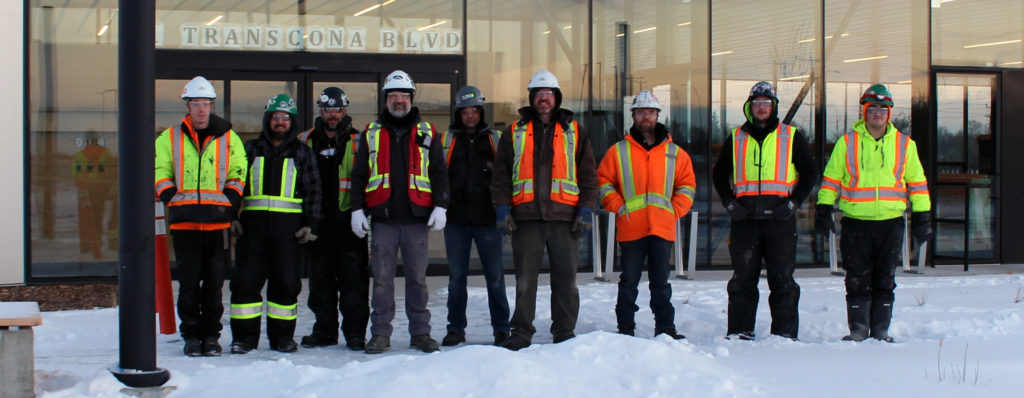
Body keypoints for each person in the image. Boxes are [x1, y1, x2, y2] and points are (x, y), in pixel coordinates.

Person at [490, 69, 599, 351]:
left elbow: (588, 176)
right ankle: (522, 331)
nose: (543, 99)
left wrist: (585, 209)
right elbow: (500, 176)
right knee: (525, 281)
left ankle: (564, 329)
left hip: (565, 220)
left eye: (548, 94)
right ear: (531, 98)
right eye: (538, 94)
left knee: (566, 281)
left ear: (557, 97)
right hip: (526, 221)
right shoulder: (513, 133)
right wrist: (503, 209)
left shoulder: (576, 132)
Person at [816, 84, 931, 343]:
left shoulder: (905, 144)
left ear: (889, 113)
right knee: (856, 278)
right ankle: (858, 329)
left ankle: (881, 330)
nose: (877, 113)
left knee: (885, 278)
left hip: (890, 223)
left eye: (883, 108)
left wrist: (923, 217)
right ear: (864, 112)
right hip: (856, 223)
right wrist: (823, 209)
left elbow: (918, 183)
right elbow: (831, 179)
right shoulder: (847, 143)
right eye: (872, 108)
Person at [350, 70, 450, 354]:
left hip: (417, 220)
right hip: (383, 221)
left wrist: (441, 205)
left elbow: (440, 173)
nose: (398, 101)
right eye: (392, 96)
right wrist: (357, 210)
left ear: (411, 99)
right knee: (381, 280)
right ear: (385, 99)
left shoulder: (427, 132)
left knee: (417, 279)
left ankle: (421, 333)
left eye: (403, 96)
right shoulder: (371, 133)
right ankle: (380, 334)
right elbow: (359, 176)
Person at [711, 81, 819, 341]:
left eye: (766, 104)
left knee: (782, 280)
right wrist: (729, 203)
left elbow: (810, 173)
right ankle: (740, 332)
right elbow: (719, 173)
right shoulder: (736, 137)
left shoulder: (791, 136)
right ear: (750, 107)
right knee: (742, 281)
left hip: (779, 222)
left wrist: (794, 203)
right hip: (745, 221)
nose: (761, 108)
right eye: (757, 103)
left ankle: (784, 334)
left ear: (774, 107)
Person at [154, 76, 247, 356]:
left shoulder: (229, 137)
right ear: (188, 105)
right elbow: (160, 171)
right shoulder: (169, 138)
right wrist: (171, 197)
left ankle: (211, 336)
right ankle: (191, 336)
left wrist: (230, 200)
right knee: (188, 284)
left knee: (215, 285)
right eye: (196, 103)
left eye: (206, 103)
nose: (202, 109)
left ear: (212, 105)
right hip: (185, 223)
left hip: (217, 223)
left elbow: (239, 169)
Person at [597, 90, 696, 339]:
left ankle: (665, 328)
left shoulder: (675, 152)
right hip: (631, 227)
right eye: (641, 112)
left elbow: (687, 185)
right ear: (634, 116)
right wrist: (618, 206)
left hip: (662, 228)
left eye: (650, 112)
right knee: (628, 281)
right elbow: (604, 183)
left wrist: (676, 209)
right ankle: (625, 328)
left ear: (657, 115)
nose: (646, 117)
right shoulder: (618, 151)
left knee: (660, 284)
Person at [228, 94, 322, 354]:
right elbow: (235, 185)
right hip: (252, 231)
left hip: (288, 233)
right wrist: (232, 217)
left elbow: (314, 191)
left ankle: (282, 339)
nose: (280, 122)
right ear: (267, 119)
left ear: (291, 122)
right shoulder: (250, 149)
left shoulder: (303, 153)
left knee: (286, 286)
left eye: (285, 118)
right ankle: (243, 339)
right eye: (275, 117)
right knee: (245, 284)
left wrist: (311, 224)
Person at [298, 87, 371, 351]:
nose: (332, 115)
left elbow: (368, 179)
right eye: (328, 110)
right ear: (320, 110)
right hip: (318, 223)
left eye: (337, 110)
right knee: (320, 282)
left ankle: (355, 333)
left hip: (348, 222)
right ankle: (324, 331)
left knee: (354, 282)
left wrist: (362, 211)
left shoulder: (359, 140)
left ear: (345, 111)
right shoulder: (305, 140)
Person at [439, 86, 511, 347]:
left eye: (474, 110)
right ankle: (455, 329)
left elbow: (505, 176)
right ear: (458, 113)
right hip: (456, 221)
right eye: (464, 111)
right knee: (456, 279)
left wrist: (504, 209)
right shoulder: (446, 140)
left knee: (495, 277)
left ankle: (502, 328)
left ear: (481, 111)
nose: (469, 116)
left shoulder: (496, 139)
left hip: (488, 221)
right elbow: (438, 175)